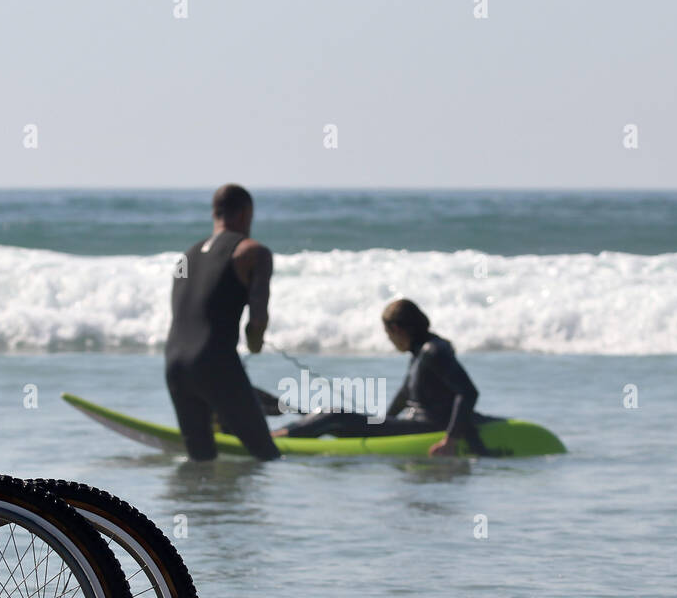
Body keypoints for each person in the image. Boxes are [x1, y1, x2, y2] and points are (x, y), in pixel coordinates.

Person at [275, 299, 489, 457]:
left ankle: (274, 439)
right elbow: (405, 394)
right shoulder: (421, 351)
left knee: (333, 415)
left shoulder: (433, 351)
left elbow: (468, 392)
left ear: (395, 329)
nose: (390, 341)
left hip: (428, 427)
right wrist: (384, 422)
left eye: (388, 335)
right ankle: (283, 435)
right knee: (336, 421)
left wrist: (450, 440)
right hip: (416, 423)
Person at [165, 184, 280, 461]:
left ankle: (203, 505)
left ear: (215, 213)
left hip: (174, 362)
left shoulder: (186, 256)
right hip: (215, 363)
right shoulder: (253, 252)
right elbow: (258, 319)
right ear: (245, 214)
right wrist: (255, 344)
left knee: (201, 460)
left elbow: (180, 312)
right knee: (267, 456)